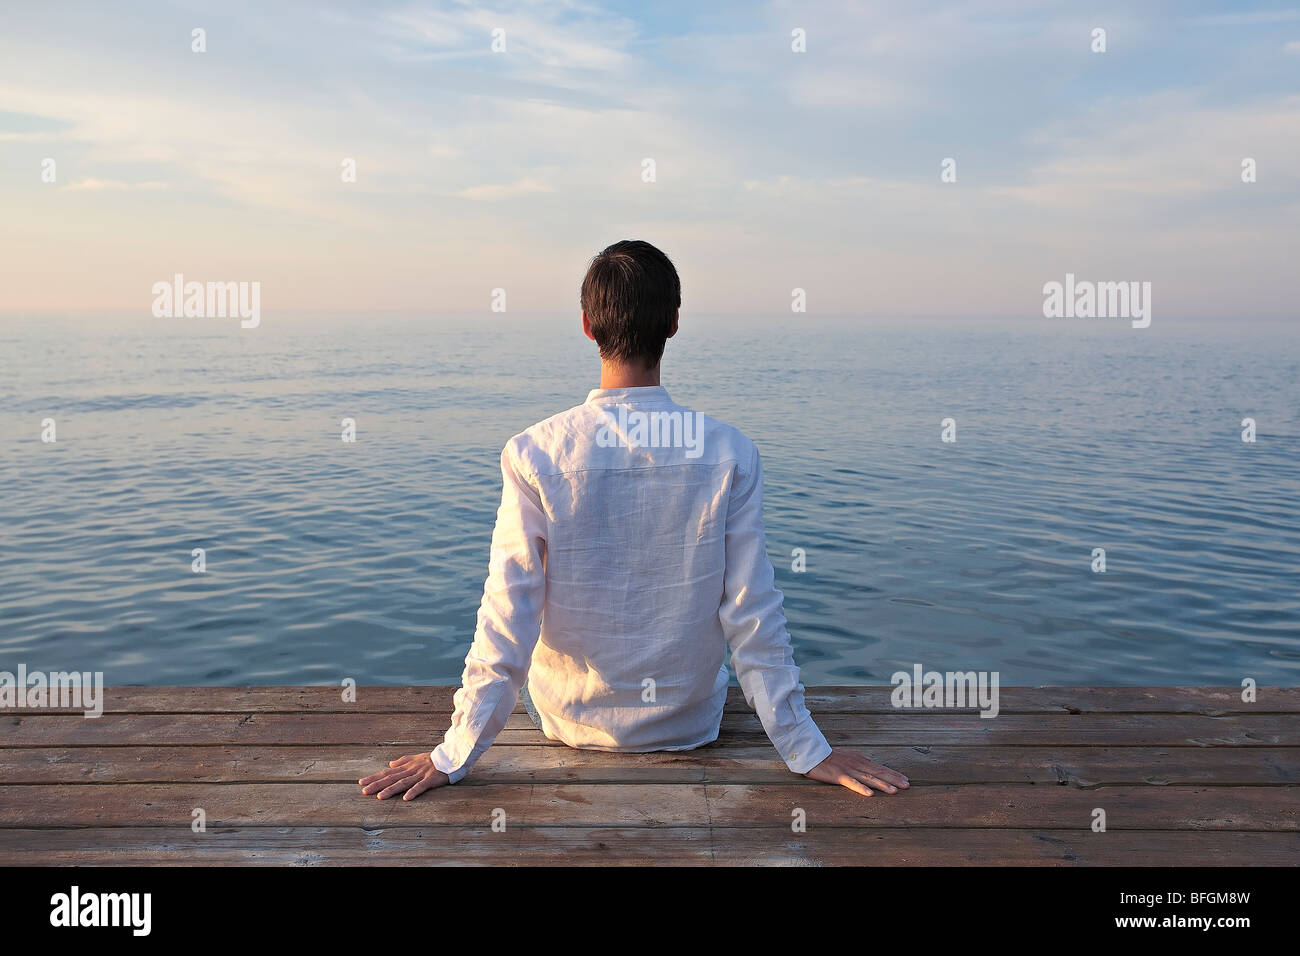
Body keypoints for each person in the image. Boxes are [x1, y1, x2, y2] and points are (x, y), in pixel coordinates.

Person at [359, 240, 909, 801]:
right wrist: (806, 748)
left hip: (570, 722)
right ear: (672, 324)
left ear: (586, 325)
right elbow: (752, 613)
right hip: (690, 723)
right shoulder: (729, 451)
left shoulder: (535, 454)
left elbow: (509, 614)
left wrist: (454, 754)